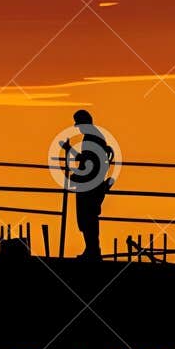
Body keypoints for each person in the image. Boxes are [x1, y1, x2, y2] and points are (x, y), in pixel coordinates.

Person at [59, 109, 114, 260]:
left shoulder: (92, 138)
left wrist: (69, 149)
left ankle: (93, 250)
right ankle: (92, 249)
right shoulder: (94, 137)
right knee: (87, 218)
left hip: (90, 185)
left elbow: (87, 162)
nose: (77, 127)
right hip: (91, 183)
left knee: (88, 218)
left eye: (78, 123)